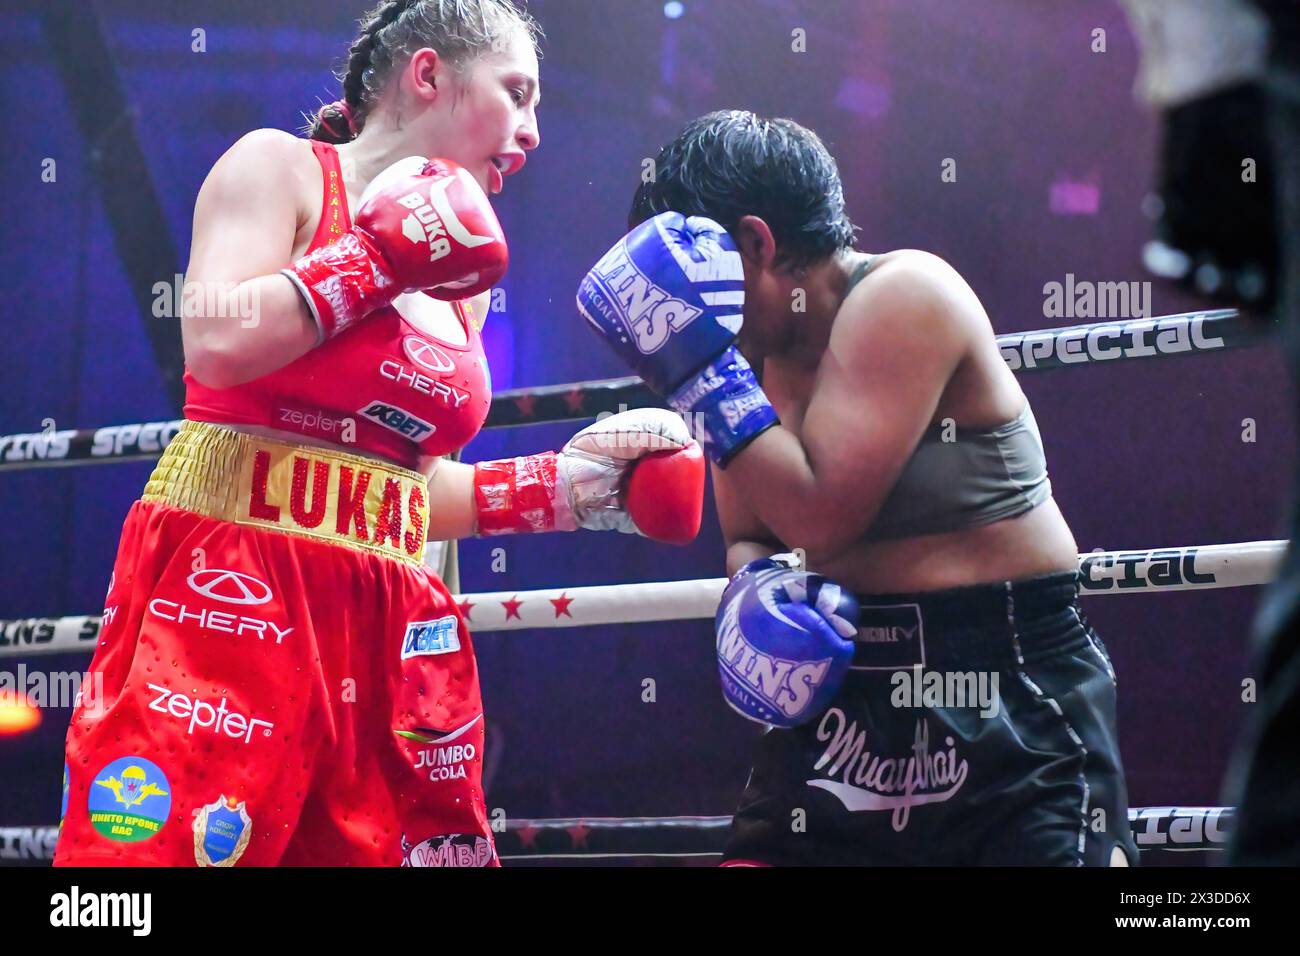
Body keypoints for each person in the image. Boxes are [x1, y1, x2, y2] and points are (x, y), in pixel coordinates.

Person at [54, 0, 701, 868]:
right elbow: (212, 339)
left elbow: (414, 491)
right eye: (517, 94)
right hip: (228, 587)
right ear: (428, 74)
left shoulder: (464, 283)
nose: (535, 131)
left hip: (388, 620)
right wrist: (381, 254)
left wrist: (567, 486)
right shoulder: (280, 169)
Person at [577, 110, 1137, 866]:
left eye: (685, 269)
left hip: (1002, 689)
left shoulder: (906, 294)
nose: (683, 306)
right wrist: (759, 598)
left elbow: (819, 514)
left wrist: (694, 374)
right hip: (842, 705)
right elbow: (754, 533)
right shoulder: (745, 363)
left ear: (753, 245)